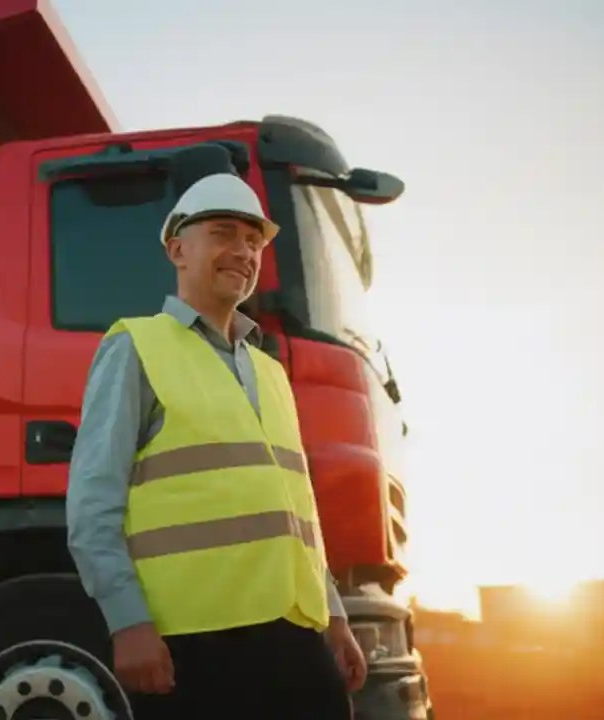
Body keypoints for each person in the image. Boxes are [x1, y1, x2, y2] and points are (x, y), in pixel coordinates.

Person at [66, 168, 367, 719]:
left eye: (254, 241)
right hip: (194, 644)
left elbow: (298, 510)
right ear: (178, 249)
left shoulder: (269, 370)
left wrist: (336, 616)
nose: (244, 252)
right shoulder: (137, 347)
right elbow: (92, 502)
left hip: (294, 636)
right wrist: (127, 621)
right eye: (224, 233)